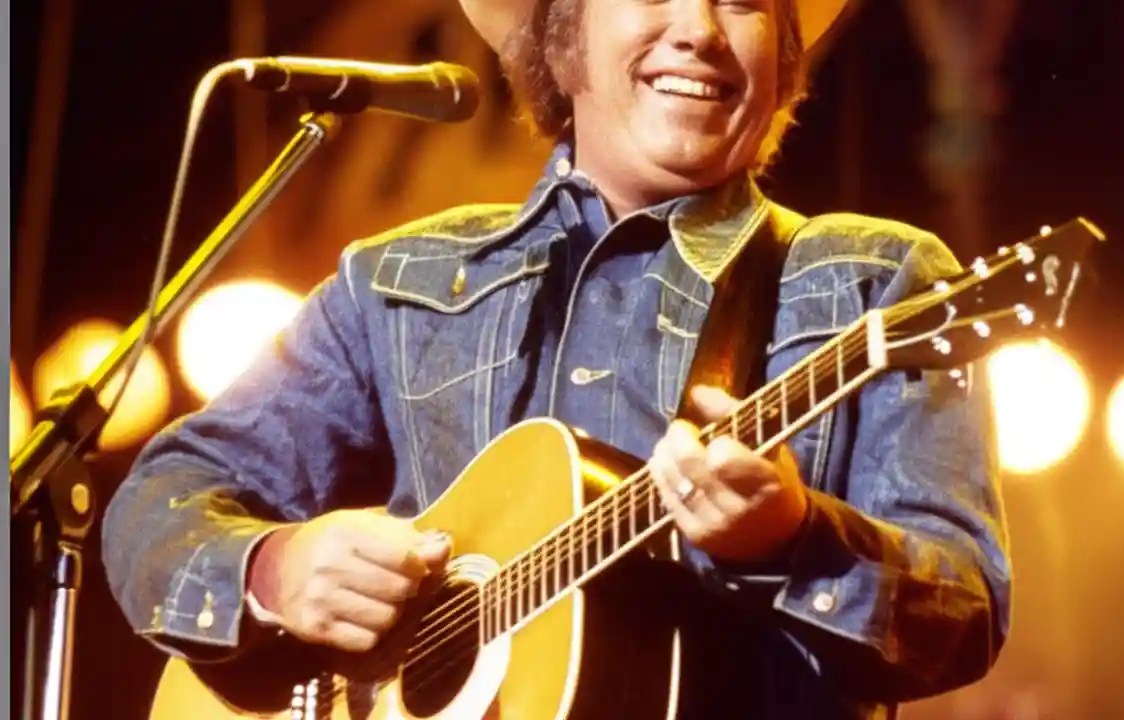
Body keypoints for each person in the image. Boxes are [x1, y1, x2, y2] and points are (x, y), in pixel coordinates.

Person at [103, 0, 1012, 717]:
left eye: (743, 2)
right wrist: (274, 570)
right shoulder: (398, 281)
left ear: (780, 63)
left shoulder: (875, 279)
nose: (698, 30)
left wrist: (793, 538)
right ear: (563, 37)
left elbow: (961, 613)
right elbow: (162, 496)